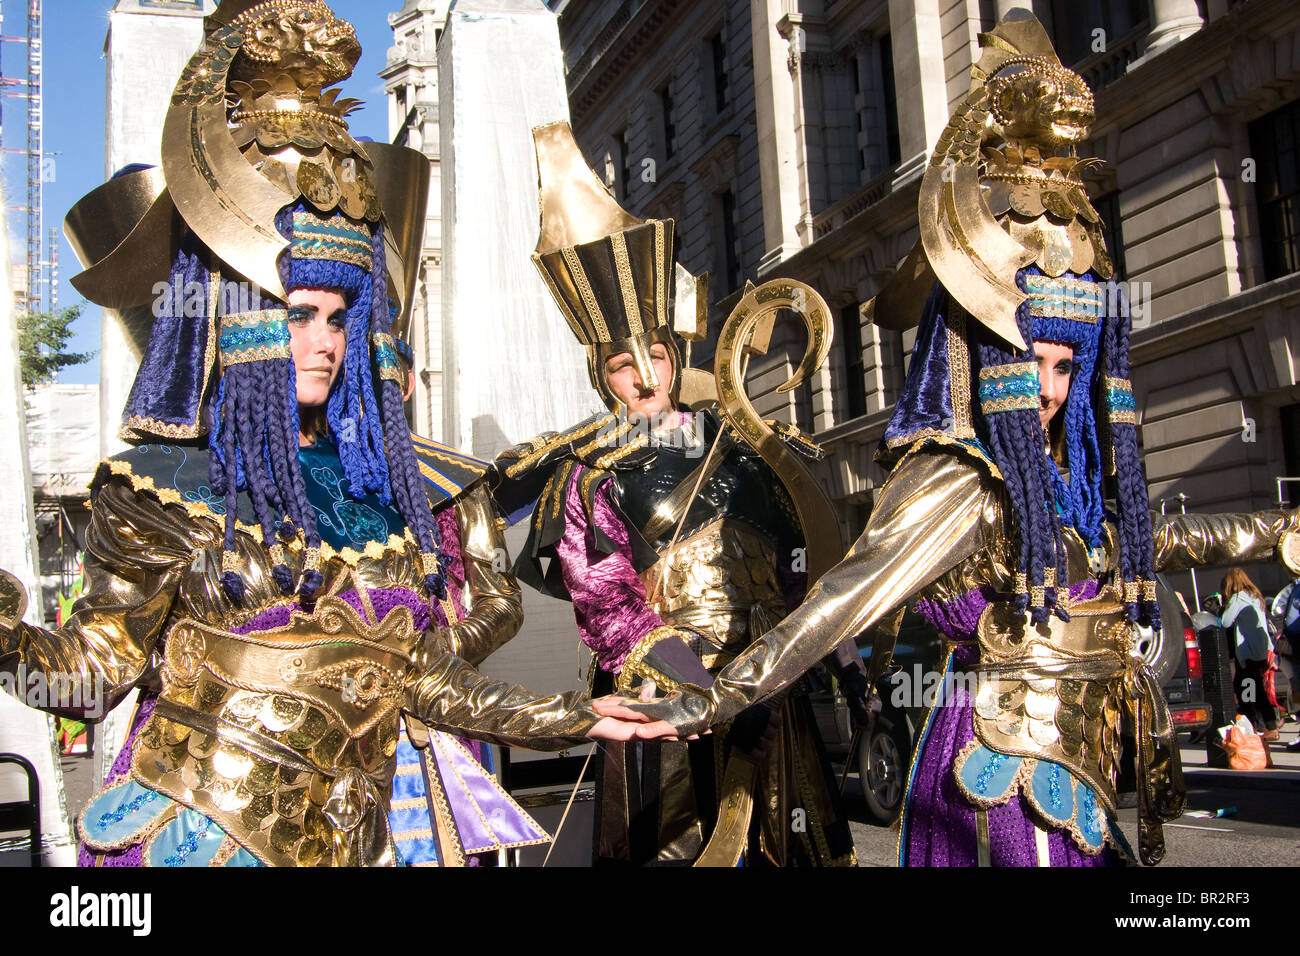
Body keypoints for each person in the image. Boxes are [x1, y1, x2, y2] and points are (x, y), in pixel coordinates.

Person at [609, 11, 1300, 866]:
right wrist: (711, 699)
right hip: (1001, 787)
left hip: (1071, 778)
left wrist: (1277, 531)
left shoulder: (1063, 475)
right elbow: (844, 598)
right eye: (1035, 363)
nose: (1052, 392)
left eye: (1067, 370)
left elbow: (1139, 545)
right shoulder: (958, 478)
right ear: (983, 360)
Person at [0, 0, 664, 867]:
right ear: (236, 320)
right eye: (297, 314)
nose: (324, 342)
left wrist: (579, 716)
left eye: (340, 316)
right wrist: (8, 642)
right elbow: (86, 679)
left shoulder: (377, 496)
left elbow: (425, 684)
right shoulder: (159, 489)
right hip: (193, 843)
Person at [492, 122, 865, 866]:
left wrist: (839, 663)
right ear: (603, 376)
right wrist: (704, 692)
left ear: (677, 356)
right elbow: (609, 605)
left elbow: (802, 573)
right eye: (623, 364)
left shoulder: (745, 447)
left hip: (769, 690)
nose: (644, 376)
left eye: (656, 355)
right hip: (667, 706)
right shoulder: (586, 475)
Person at [1223, 568, 1280, 741]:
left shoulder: (1238, 598)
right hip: (1261, 651)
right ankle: (1261, 724)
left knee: (1248, 689)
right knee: (1253, 688)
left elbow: (1225, 621)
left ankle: (1259, 725)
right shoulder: (1256, 597)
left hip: (1246, 652)